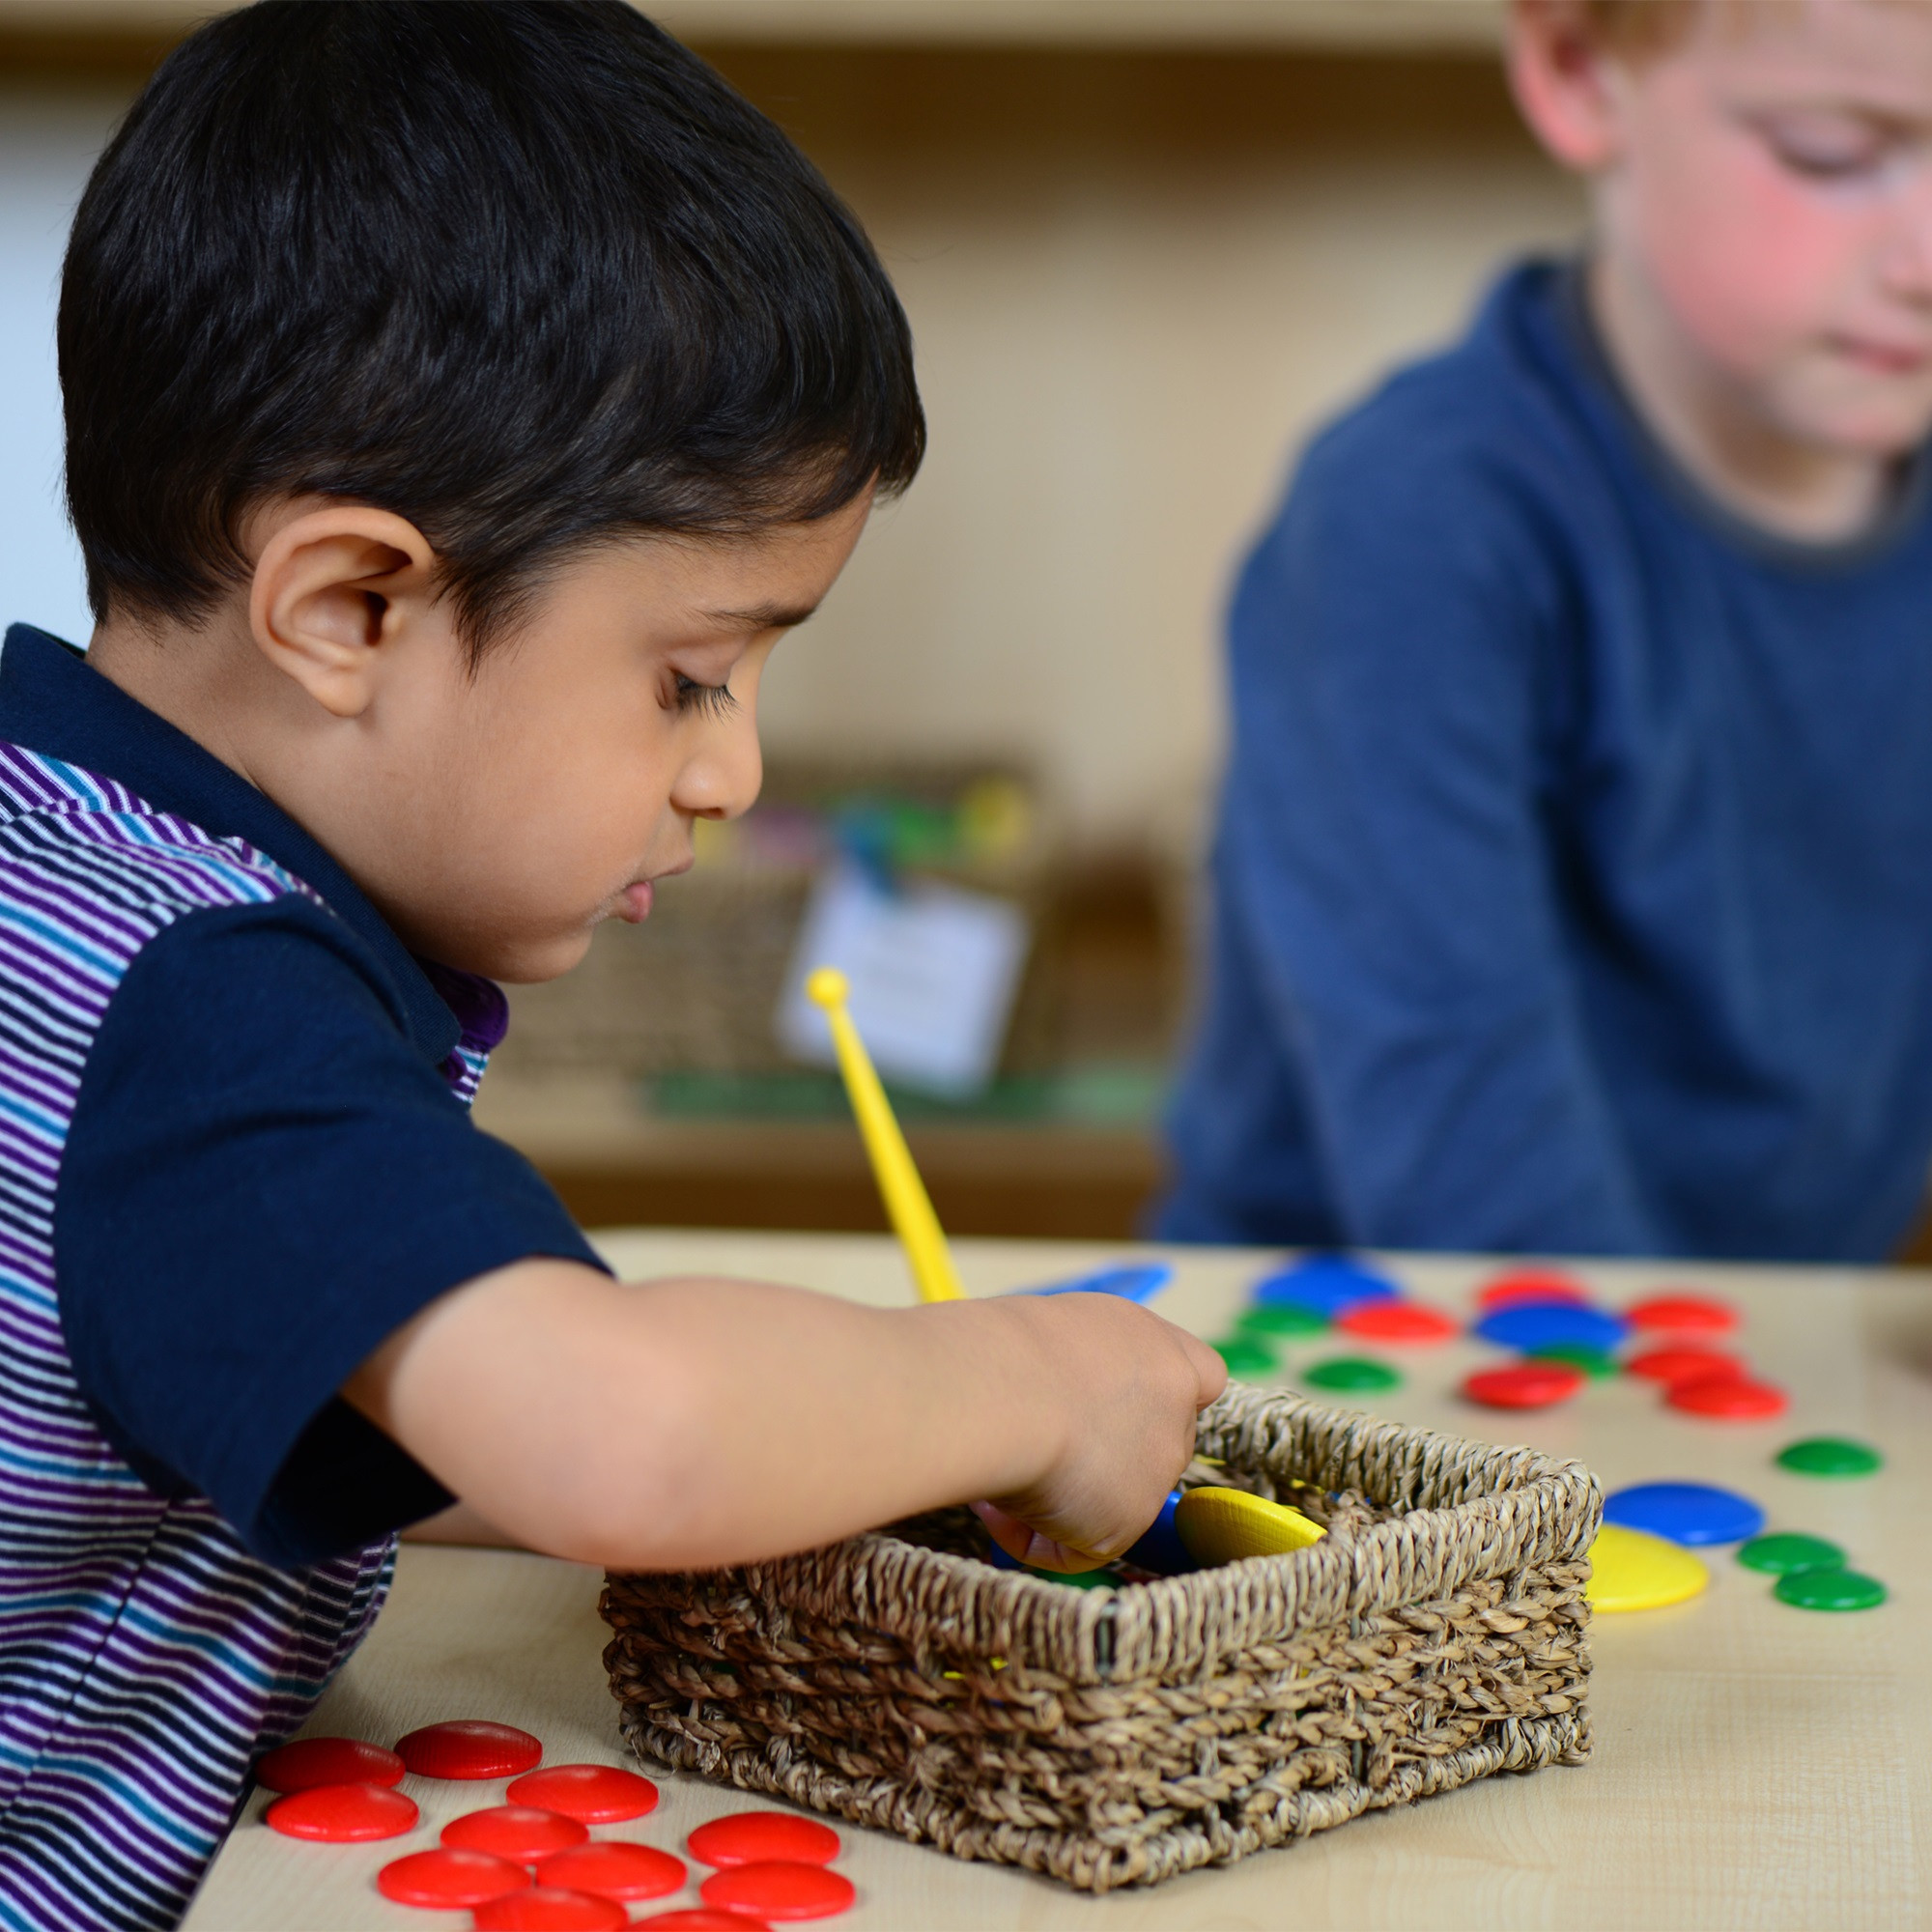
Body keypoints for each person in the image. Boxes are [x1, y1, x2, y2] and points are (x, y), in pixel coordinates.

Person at [0, 6, 1224, 1924]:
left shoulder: (55, 851)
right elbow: (619, 1438)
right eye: (689, 676)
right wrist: (1023, 1379)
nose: (731, 768)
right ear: (349, 603)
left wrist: (830, 1417)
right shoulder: (204, 1011)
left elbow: (247, 1377)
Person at [1161, 0, 1932, 1264]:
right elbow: (1480, 1194)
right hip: (1365, 1370)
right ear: (1580, 71)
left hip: (1770, 1359)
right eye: (1833, 152)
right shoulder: (1415, 523)